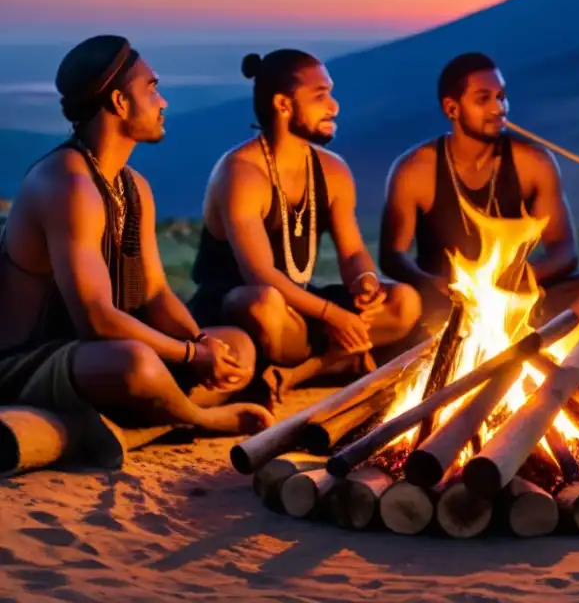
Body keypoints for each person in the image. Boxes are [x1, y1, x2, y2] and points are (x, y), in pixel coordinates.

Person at [0, 35, 272, 465]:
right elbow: (96, 319)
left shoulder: (133, 187)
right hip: (35, 361)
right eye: (151, 88)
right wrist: (186, 355)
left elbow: (155, 295)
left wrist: (201, 344)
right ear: (120, 102)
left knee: (237, 346)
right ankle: (200, 420)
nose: (162, 102)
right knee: (133, 364)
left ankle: (132, 423)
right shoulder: (67, 184)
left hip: (102, 354)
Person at [188, 49, 421, 405]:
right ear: (283, 104)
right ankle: (340, 360)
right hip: (241, 305)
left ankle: (304, 370)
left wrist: (364, 284)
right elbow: (261, 275)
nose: (334, 107)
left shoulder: (332, 170)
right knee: (263, 304)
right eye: (320, 96)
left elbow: (354, 252)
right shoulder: (241, 172)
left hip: (301, 307)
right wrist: (333, 316)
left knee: (405, 302)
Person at [378, 52, 579, 334]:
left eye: (501, 97)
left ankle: (517, 345)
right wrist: (432, 284)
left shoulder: (533, 162)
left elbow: (564, 251)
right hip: (446, 302)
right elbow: (392, 255)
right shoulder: (416, 169)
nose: (498, 108)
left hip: (516, 297)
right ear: (452, 109)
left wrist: (519, 278)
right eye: (483, 99)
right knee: (402, 309)